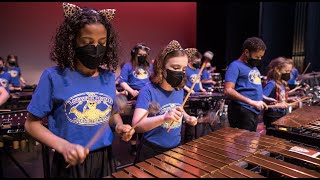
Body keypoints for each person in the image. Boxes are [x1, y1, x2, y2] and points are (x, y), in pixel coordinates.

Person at [24, 3, 135, 178]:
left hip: (105, 159)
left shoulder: (107, 77)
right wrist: (63, 146)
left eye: (102, 43)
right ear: (73, 41)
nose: (96, 47)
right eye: (87, 42)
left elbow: (111, 114)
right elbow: (31, 124)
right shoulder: (54, 77)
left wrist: (120, 126)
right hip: (69, 160)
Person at [132, 40, 197, 163]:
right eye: (175, 67)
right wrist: (164, 118)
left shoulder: (179, 89)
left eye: (183, 69)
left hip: (175, 148)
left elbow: (178, 109)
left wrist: (187, 117)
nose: (180, 73)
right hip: (151, 151)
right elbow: (137, 125)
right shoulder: (148, 90)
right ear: (161, 67)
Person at [224, 37, 268, 132]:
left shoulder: (254, 68)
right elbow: (228, 90)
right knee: (243, 144)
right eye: (257, 57)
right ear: (247, 52)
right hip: (242, 110)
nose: (259, 59)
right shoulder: (235, 66)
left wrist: (265, 98)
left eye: (261, 57)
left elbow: (252, 88)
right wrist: (251, 102)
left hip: (252, 110)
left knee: (250, 142)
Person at [118, 43, 153, 155]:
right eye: (140, 54)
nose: (142, 56)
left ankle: (143, 143)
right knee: (132, 120)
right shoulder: (128, 66)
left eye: (144, 54)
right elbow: (121, 81)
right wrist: (132, 91)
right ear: (135, 54)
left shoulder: (149, 67)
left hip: (146, 94)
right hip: (133, 94)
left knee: (144, 119)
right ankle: (133, 145)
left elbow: (153, 80)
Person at [263, 57, 295, 129]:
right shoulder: (272, 83)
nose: (288, 73)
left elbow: (280, 97)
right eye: (286, 71)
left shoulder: (282, 83)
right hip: (273, 115)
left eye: (289, 71)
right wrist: (276, 104)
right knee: (273, 137)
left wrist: (289, 99)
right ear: (277, 71)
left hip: (280, 114)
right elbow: (261, 97)